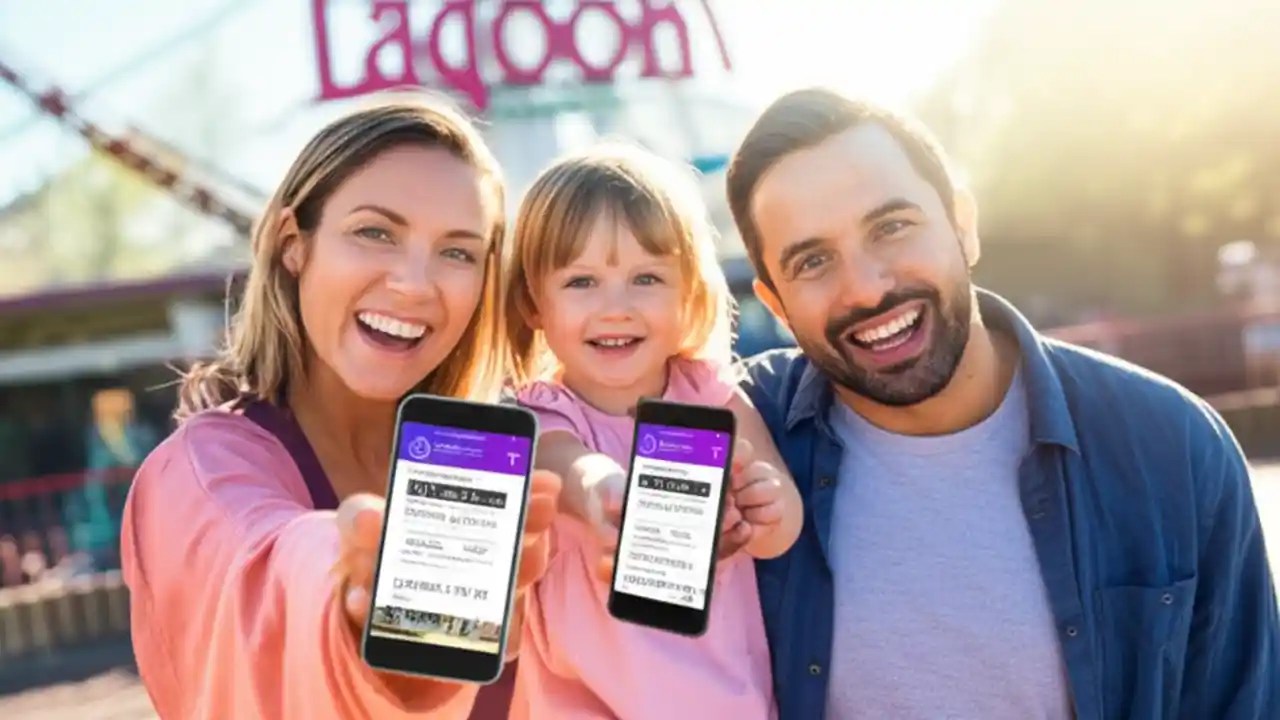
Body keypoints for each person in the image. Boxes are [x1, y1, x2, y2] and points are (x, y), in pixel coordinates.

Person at [722, 87, 1280, 719]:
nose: (868, 287)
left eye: (892, 227)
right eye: (813, 260)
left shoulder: (1173, 448)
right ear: (774, 303)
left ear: (963, 225)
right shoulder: (732, 430)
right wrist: (585, 478)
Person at [119, 97, 561, 720]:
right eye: (374, 233)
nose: (414, 283)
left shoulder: (486, 467)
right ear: (293, 244)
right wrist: (351, 589)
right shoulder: (194, 471)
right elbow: (268, 561)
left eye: (457, 252)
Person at [502, 144, 803, 719]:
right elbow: (567, 468)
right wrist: (606, 491)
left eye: (646, 278)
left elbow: (780, 527)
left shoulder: (709, 396)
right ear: (533, 303)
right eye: (581, 282)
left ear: (688, 291)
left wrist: (764, 507)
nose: (616, 308)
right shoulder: (542, 414)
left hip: (724, 702)